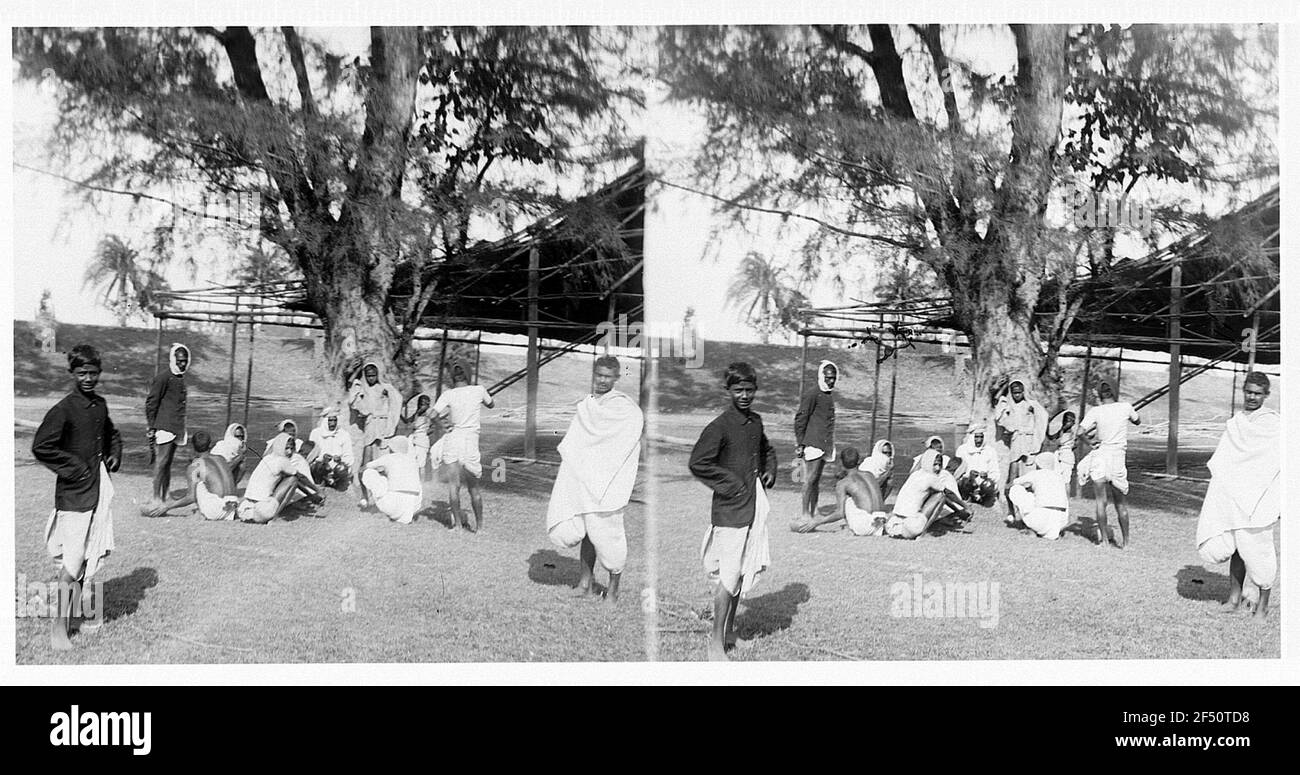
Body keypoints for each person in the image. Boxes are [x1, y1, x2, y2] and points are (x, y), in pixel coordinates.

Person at [31, 344, 122, 650]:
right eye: (82, 373)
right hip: (73, 497)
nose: (88, 378)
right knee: (70, 565)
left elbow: (111, 434)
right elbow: (42, 446)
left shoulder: (100, 405)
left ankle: (72, 617)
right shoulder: (63, 409)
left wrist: (112, 456)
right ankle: (57, 630)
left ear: (100, 373)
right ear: (71, 372)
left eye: (93, 373)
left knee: (85, 558)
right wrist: (77, 469)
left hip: (97, 494)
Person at [689, 362, 777, 661]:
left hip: (752, 509)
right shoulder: (720, 426)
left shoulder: (756, 422)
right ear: (728, 390)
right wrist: (732, 484)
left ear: (755, 391)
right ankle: (714, 644)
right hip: (729, 512)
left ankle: (728, 633)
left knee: (739, 572)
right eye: (738, 390)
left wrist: (768, 471)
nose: (744, 396)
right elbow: (699, 463)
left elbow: (766, 450)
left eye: (749, 390)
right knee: (727, 578)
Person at [545, 356, 645, 603]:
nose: (602, 380)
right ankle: (585, 583)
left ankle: (613, 589)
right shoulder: (586, 406)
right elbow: (577, 442)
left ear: (616, 378)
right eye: (598, 375)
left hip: (608, 481)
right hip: (585, 479)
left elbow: (627, 440)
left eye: (607, 376)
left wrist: (606, 469)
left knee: (608, 533)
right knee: (588, 531)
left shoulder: (624, 408)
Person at [1195, 372, 1279, 618]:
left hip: (1259, 498)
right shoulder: (1236, 422)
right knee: (1236, 549)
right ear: (1244, 391)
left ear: (1266, 395)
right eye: (1249, 391)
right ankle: (1233, 599)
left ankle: (1262, 606)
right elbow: (1225, 461)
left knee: (1258, 549)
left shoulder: (1275, 425)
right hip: (1234, 495)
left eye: (1257, 393)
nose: (1252, 397)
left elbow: (1278, 462)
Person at [1078, 381, 1140, 548]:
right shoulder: (1125, 407)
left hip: (1100, 456)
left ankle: (1104, 541)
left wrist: (1090, 443)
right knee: (1120, 503)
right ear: (1115, 391)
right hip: (1117, 459)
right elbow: (1137, 421)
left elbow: (1079, 431)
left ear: (1099, 393)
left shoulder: (1096, 411)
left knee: (1100, 502)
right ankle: (1126, 544)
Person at [432, 364, 494, 532]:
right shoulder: (479, 390)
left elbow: (432, 414)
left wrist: (444, 426)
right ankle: (479, 529)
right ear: (468, 375)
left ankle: (458, 526)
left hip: (453, 439)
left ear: (452, 378)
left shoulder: (448, 394)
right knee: (473, 487)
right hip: (470, 442)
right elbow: (491, 404)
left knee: (454, 485)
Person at [142, 431, 239, 520]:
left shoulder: (195, 466)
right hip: (234, 506)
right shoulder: (221, 458)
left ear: (193, 446)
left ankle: (204, 511)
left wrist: (167, 506)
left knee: (199, 484)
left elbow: (191, 497)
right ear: (210, 444)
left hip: (215, 511)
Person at [348, 360, 403, 508]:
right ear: (365, 375)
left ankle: (385, 498)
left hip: (383, 427)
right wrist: (358, 389)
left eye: (373, 375)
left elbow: (397, 400)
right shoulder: (361, 388)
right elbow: (352, 401)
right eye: (368, 375)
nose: (371, 377)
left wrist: (389, 394)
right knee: (366, 464)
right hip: (370, 426)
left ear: (378, 374)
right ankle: (365, 496)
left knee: (384, 464)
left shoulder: (385, 388)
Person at [793, 446, 885, 535]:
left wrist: (818, 521)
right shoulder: (869, 474)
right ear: (859, 461)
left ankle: (856, 525)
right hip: (882, 522)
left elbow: (840, 513)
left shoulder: (843, 483)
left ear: (841, 462)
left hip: (864, 527)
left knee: (848, 500)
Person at [237, 433, 325, 524]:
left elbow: (292, 482)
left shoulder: (268, 458)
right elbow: (299, 477)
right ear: (279, 447)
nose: (289, 452)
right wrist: (317, 490)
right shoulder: (282, 461)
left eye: (291, 448)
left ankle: (270, 514)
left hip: (245, 510)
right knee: (293, 479)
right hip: (263, 511)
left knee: (291, 479)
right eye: (286, 448)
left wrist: (311, 495)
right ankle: (275, 517)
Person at [885, 449, 969, 539]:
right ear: (928, 463)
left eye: (940, 465)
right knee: (941, 495)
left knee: (939, 496)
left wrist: (957, 511)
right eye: (935, 464)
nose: (937, 468)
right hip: (911, 527)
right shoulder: (931, 477)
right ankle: (923, 533)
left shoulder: (915, 474)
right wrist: (965, 506)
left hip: (892, 526)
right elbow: (947, 493)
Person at [145, 342, 190, 502]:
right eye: (179, 360)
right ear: (173, 359)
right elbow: (151, 402)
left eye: (185, 360)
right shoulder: (163, 377)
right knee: (161, 461)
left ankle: (164, 495)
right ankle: (156, 497)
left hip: (176, 426)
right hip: (164, 426)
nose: (182, 363)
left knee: (168, 462)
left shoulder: (179, 378)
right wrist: (151, 426)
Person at [794, 359, 837, 525]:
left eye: (833, 377)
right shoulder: (812, 394)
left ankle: (814, 510)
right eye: (828, 377)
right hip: (813, 443)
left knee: (816, 479)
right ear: (821, 376)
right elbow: (800, 418)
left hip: (824, 443)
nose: (831, 380)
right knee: (810, 479)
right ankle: (805, 513)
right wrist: (800, 443)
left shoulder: (828, 395)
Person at [994, 377, 1048, 498]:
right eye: (1014, 392)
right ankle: (1010, 496)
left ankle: (1029, 497)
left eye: (1019, 392)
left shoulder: (1031, 405)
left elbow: (1042, 417)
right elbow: (1000, 418)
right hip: (1017, 439)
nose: (1017, 395)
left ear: (1023, 392)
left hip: (1028, 439)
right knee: (1014, 467)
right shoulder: (1009, 406)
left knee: (1029, 470)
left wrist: (1037, 437)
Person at [361, 436, 423, 525]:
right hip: (413, 506)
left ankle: (370, 502)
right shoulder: (413, 460)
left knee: (369, 473)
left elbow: (366, 467)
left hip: (394, 505)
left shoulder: (388, 458)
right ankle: (404, 517)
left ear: (392, 448)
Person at [1007, 452, 1070, 540]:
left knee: (1016, 489)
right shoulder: (1059, 477)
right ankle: (1051, 532)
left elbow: (1012, 484)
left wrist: (1010, 509)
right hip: (1060, 522)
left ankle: (1031, 529)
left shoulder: (1036, 474)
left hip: (1040, 521)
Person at [309, 407, 355, 492]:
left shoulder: (344, 434)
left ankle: (336, 483)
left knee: (342, 469)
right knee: (319, 467)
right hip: (321, 466)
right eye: (330, 421)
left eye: (334, 420)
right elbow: (310, 455)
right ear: (325, 421)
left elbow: (349, 456)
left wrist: (340, 460)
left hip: (337, 466)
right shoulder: (316, 433)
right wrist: (322, 458)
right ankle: (320, 484)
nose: (332, 424)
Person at [954, 426, 1000, 507]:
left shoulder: (990, 451)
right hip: (967, 482)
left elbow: (995, 471)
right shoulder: (962, 449)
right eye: (976, 437)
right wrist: (969, 475)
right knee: (965, 482)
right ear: (972, 437)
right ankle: (966, 500)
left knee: (988, 484)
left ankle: (983, 500)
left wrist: (987, 476)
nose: (979, 440)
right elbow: (956, 472)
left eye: (981, 437)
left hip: (983, 482)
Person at [401, 393, 434, 475]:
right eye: (420, 404)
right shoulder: (417, 413)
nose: (421, 406)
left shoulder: (429, 414)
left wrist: (425, 432)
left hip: (422, 440)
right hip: (414, 439)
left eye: (423, 404)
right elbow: (407, 421)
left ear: (428, 404)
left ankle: (422, 484)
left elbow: (433, 428)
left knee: (421, 463)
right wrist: (399, 412)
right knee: (411, 461)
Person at [1046, 410, 1078, 488]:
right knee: (1057, 479)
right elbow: (1051, 437)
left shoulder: (1071, 432)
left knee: (1066, 481)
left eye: (1069, 421)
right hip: (1060, 455)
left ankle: (1066, 499)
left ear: (1073, 422)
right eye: (1065, 420)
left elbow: (1059, 442)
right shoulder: (1062, 431)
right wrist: (1047, 425)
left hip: (1066, 456)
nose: (1067, 423)